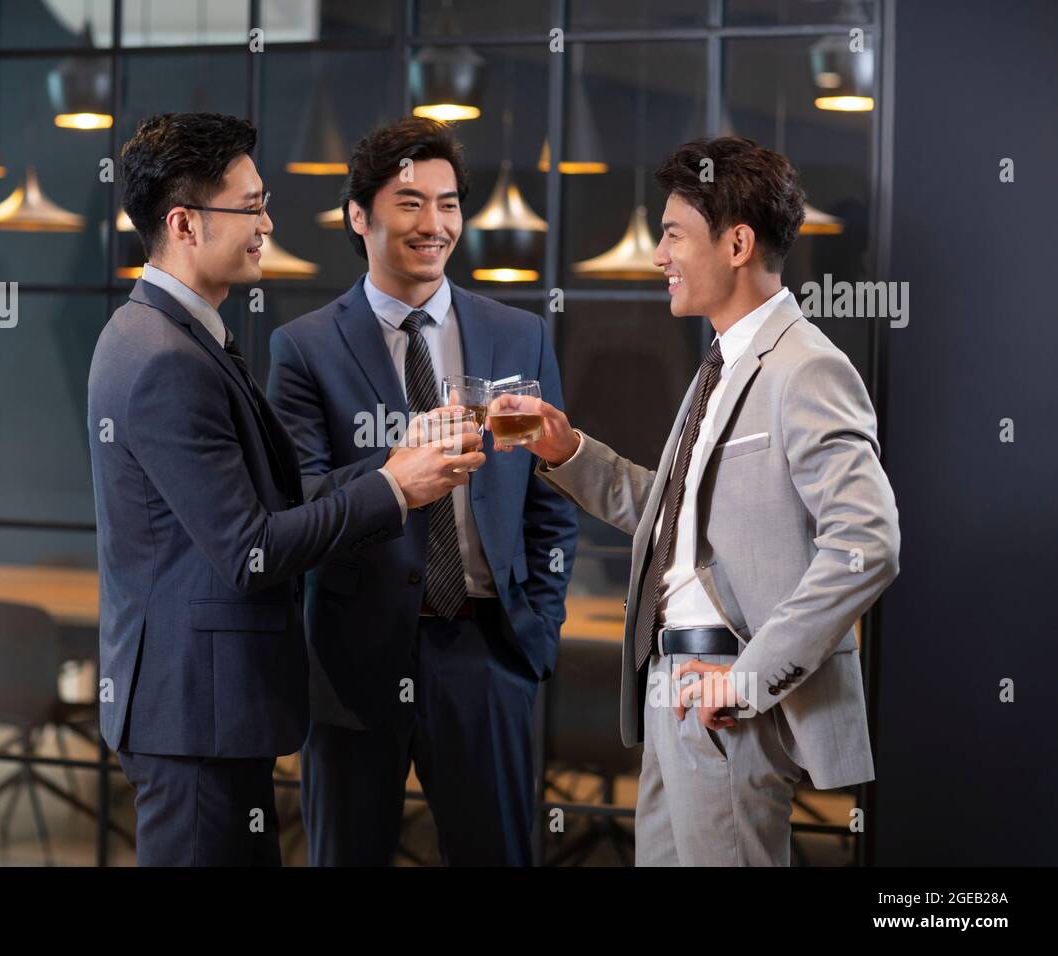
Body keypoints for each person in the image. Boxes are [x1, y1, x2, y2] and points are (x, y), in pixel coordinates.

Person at [87, 112, 482, 866]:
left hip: (207, 713)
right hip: (194, 718)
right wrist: (395, 492)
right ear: (184, 223)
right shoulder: (166, 359)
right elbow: (252, 550)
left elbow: (271, 499)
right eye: (251, 206)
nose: (269, 223)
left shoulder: (178, 335)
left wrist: (392, 462)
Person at [498, 136, 900, 865]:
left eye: (674, 234)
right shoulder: (721, 364)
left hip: (727, 699)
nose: (658, 254)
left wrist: (745, 682)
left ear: (738, 243)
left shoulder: (806, 368)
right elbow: (680, 516)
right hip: (673, 691)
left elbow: (866, 546)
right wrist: (567, 453)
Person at [267, 116, 578, 865]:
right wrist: (393, 474)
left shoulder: (518, 335)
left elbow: (552, 492)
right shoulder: (303, 347)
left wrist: (537, 621)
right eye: (409, 202)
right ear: (357, 215)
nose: (433, 224)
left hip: (487, 651)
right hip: (353, 658)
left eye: (447, 203)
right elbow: (298, 500)